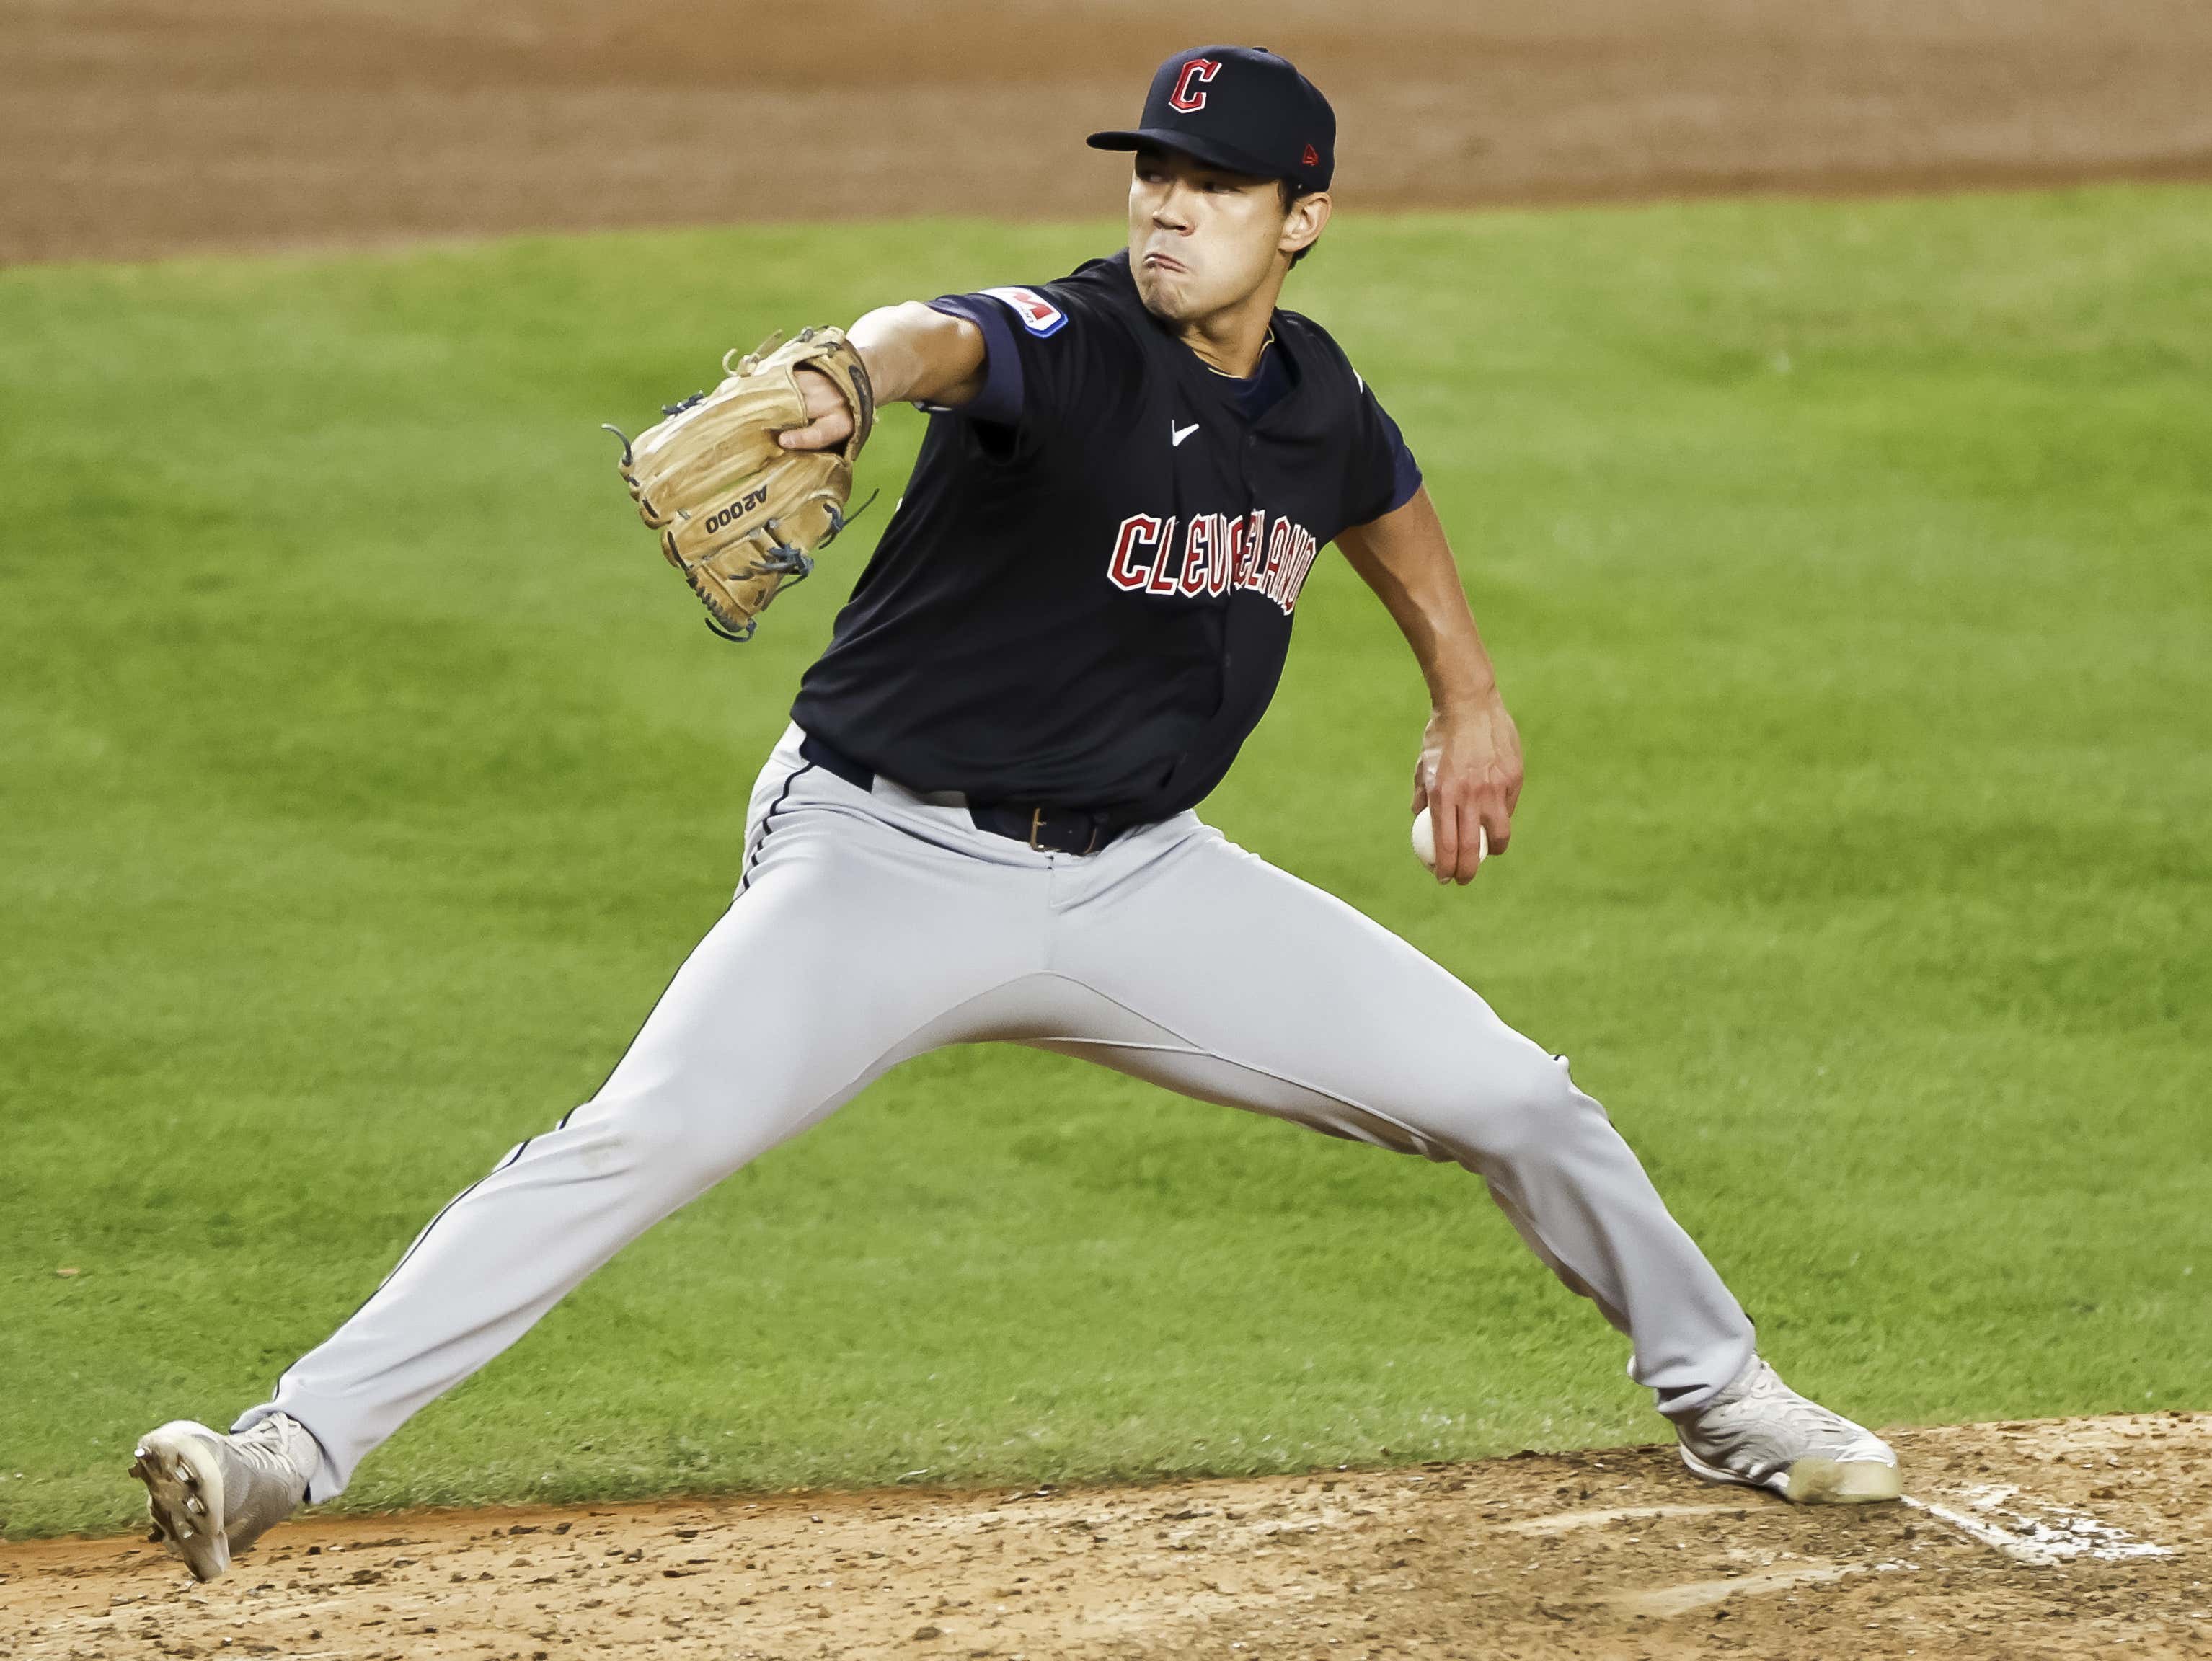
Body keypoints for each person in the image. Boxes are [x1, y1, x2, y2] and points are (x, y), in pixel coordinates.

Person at [130, 44, 1900, 1585]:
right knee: (642, 1138)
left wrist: (1468, 693)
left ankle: (1722, 1392)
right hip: (882, 857)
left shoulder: (1310, 392)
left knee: (1514, 1096)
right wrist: (843, 376)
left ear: (1305, 215)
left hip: (1137, 883)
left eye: (1214, 183)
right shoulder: (1081, 340)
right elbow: (952, 339)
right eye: (1154, 174)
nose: (1168, 207)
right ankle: (283, 1452)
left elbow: (1380, 495)